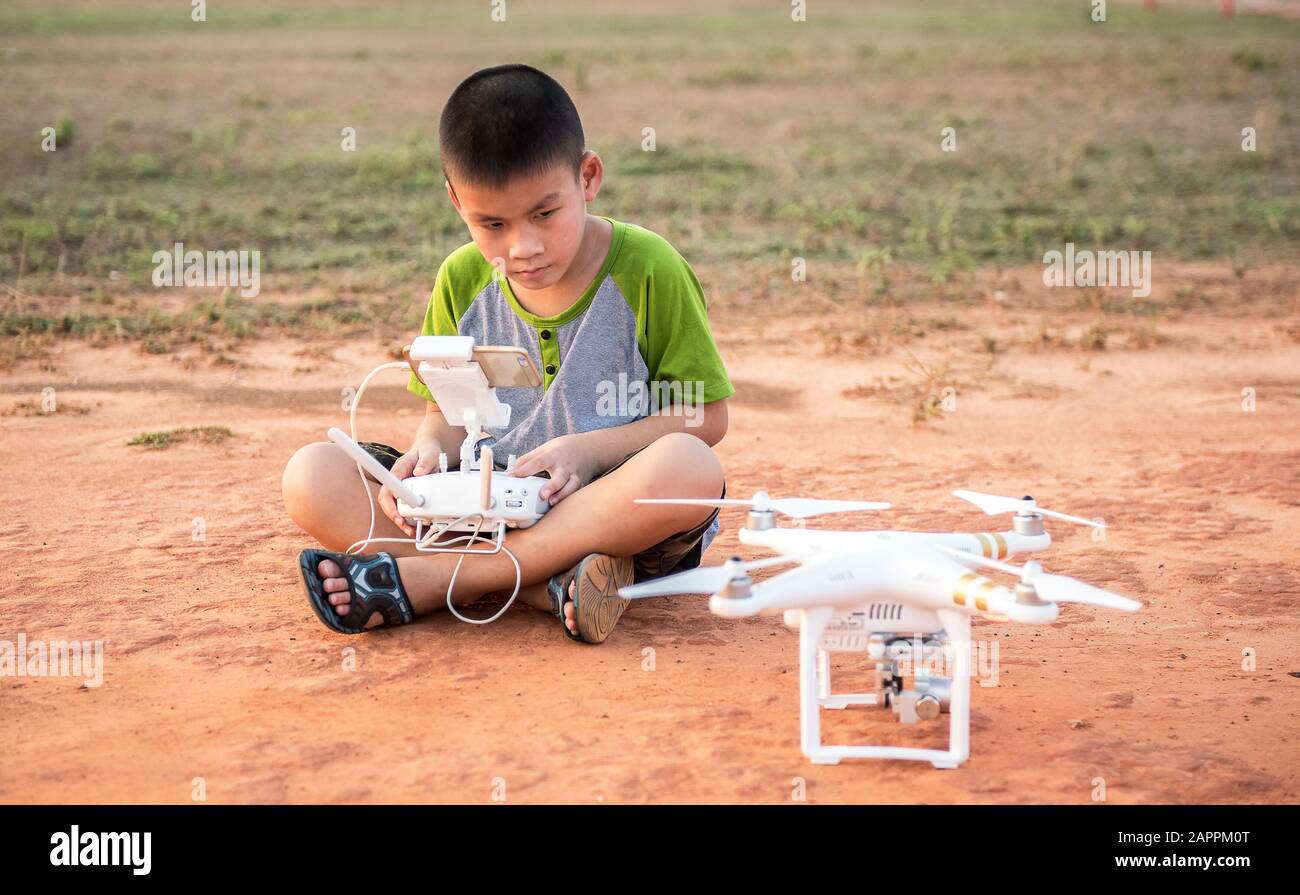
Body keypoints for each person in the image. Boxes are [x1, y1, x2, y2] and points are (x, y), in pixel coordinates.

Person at [282, 63, 733, 644]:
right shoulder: (461, 278)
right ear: (456, 202)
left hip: (607, 516)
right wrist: (424, 454)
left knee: (688, 468)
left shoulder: (650, 268)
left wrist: (591, 452)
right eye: (492, 223)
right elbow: (445, 419)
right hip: (478, 514)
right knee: (311, 475)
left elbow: (707, 419)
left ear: (588, 177)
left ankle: (434, 582)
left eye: (545, 213)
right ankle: (537, 586)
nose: (523, 246)